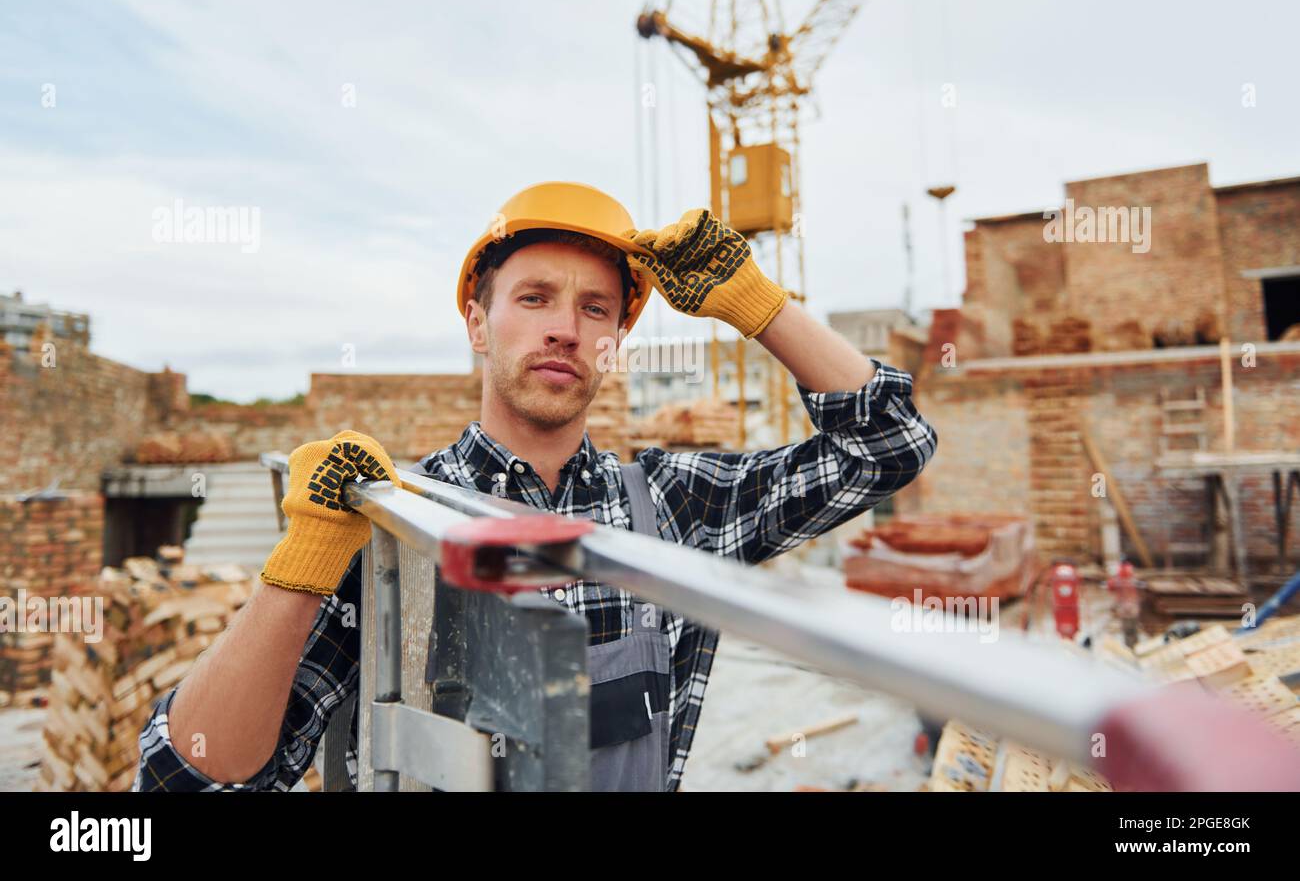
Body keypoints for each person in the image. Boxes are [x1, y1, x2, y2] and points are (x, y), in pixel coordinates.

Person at [134, 181, 938, 792]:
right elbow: (193, 775)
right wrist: (303, 563)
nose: (566, 327)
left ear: (617, 344)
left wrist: (757, 307)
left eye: (597, 309)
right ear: (479, 325)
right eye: (534, 298)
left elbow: (889, 445)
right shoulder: (398, 530)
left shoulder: (672, 507)